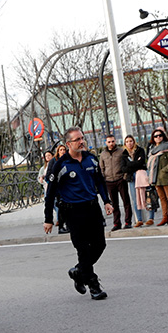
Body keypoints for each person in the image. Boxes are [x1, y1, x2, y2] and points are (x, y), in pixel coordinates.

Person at [43, 127, 114, 300]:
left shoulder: (91, 159)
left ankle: (79, 271)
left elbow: (100, 181)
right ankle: (94, 285)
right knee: (82, 249)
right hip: (73, 212)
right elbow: (50, 192)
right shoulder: (61, 164)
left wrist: (106, 201)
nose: (81, 142)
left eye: (82, 138)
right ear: (68, 144)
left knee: (99, 245)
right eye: (77, 140)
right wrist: (48, 219)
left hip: (92, 208)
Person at [98, 134, 133, 231]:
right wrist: (104, 179)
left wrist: (124, 176)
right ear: (106, 143)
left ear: (115, 141)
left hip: (120, 180)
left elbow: (127, 164)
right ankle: (117, 223)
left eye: (112, 141)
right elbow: (101, 168)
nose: (111, 143)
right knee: (114, 204)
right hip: (109, 182)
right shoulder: (103, 154)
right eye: (109, 142)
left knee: (126, 201)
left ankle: (128, 222)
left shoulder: (121, 151)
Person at [147, 128, 168, 225]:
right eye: (156, 136)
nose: (158, 137)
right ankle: (165, 217)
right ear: (153, 138)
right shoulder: (152, 149)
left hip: (166, 177)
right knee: (162, 198)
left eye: (160, 135)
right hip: (156, 178)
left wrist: (164, 171)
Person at [120, 135, 153, 227]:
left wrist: (130, 164)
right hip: (132, 178)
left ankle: (151, 217)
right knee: (135, 199)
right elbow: (123, 168)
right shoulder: (124, 154)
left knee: (148, 196)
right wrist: (134, 164)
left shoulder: (140, 150)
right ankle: (139, 219)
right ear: (125, 143)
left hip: (142, 176)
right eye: (127, 141)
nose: (129, 143)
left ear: (134, 141)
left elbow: (141, 162)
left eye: (131, 141)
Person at [45, 143, 68, 233]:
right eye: (61, 150)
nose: (62, 151)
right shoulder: (54, 161)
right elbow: (49, 175)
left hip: (67, 188)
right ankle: (61, 226)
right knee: (61, 207)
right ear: (58, 151)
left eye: (64, 150)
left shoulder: (67, 159)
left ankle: (68, 225)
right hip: (58, 188)